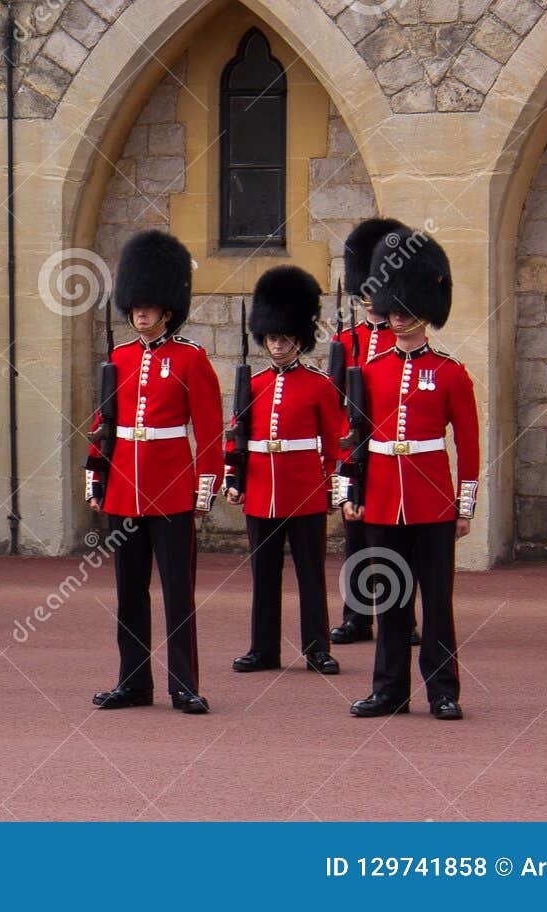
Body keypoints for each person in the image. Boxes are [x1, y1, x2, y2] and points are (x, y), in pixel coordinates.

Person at [337, 227, 477, 722]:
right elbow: (351, 440)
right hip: (381, 498)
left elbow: (469, 444)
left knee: (437, 603)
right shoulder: (370, 371)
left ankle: (443, 689)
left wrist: (465, 505)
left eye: (406, 304)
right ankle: (390, 689)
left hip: (433, 501)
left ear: (425, 309)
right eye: (393, 304)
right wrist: (349, 492)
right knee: (389, 600)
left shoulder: (451, 372)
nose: (397, 314)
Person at [85, 230, 223, 714]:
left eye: (149, 306)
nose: (140, 314)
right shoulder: (118, 359)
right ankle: (133, 681)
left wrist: (205, 487)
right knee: (129, 595)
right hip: (123, 488)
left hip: (172, 489)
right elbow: (103, 425)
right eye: (135, 306)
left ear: (167, 309)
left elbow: (208, 429)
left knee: (177, 594)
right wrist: (95, 480)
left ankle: (183, 683)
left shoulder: (190, 359)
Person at [225, 266, 342, 676]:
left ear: (300, 340)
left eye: (285, 338)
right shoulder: (252, 384)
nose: (278, 345)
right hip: (260, 488)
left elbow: (335, 442)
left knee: (311, 576)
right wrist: (233, 479)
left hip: (305, 489)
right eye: (273, 338)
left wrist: (334, 489)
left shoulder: (319, 385)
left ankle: (317, 648)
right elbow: (235, 435)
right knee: (264, 577)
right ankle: (263, 649)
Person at [329, 217, 416, 647]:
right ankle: (356, 616)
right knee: (355, 536)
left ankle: (404, 619)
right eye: (363, 291)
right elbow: (333, 403)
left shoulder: (404, 342)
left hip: (391, 451)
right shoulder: (347, 340)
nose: (368, 300)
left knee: (401, 536)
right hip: (354, 451)